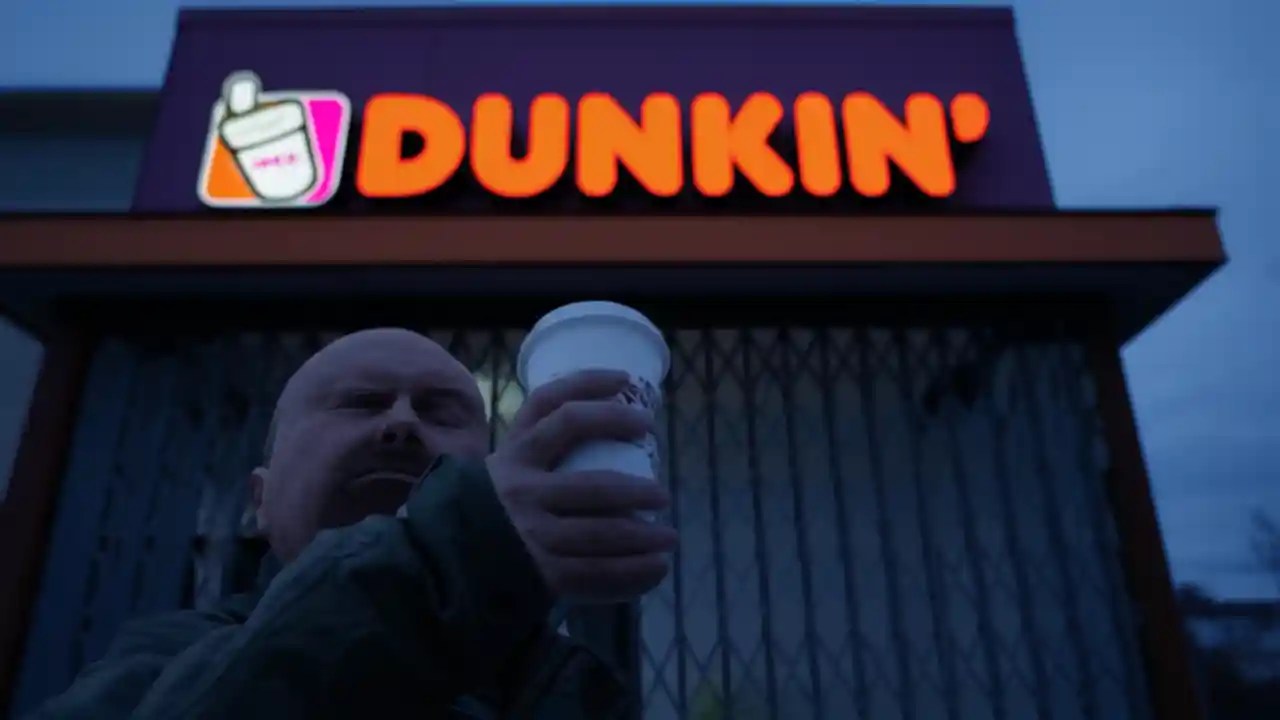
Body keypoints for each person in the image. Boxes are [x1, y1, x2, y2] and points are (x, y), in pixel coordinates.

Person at [28, 328, 679, 719]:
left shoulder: (567, 687)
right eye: (361, 403)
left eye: (440, 411)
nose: (401, 424)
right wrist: (446, 553)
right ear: (260, 499)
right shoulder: (158, 661)